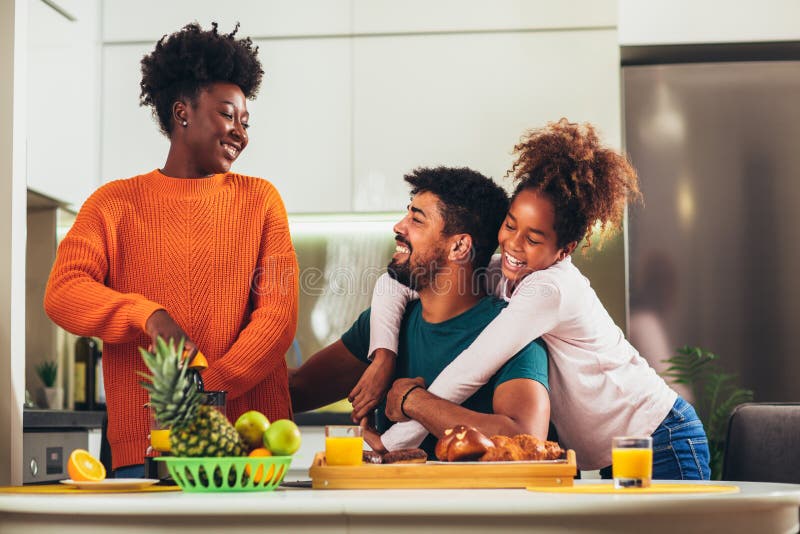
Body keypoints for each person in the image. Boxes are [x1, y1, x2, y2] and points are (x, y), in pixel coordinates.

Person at [358, 119, 710, 479]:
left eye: (534, 238)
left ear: (564, 250)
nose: (513, 245)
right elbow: (395, 284)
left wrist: (395, 438)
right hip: (616, 452)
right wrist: (383, 357)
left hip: (660, 438)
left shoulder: (551, 289)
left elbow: (470, 369)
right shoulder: (505, 272)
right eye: (510, 225)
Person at [44, 23, 298, 477]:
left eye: (245, 121)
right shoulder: (113, 204)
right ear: (182, 113)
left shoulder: (260, 200)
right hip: (146, 450)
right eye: (227, 115)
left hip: (250, 445)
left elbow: (278, 317)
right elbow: (63, 292)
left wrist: (207, 388)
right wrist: (148, 315)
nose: (240, 132)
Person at [290, 167, 551, 456]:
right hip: (393, 500)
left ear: (459, 246)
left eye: (416, 219)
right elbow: (297, 390)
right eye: (407, 214)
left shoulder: (512, 333)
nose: (399, 227)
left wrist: (414, 401)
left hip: (477, 501)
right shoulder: (385, 325)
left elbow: (526, 439)